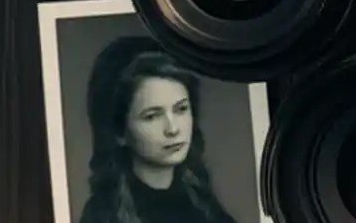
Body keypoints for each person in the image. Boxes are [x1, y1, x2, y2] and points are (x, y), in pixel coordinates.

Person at [79, 37, 238, 223]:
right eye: (152, 116)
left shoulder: (203, 204)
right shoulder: (102, 216)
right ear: (119, 132)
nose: (172, 129)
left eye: (181, 109)